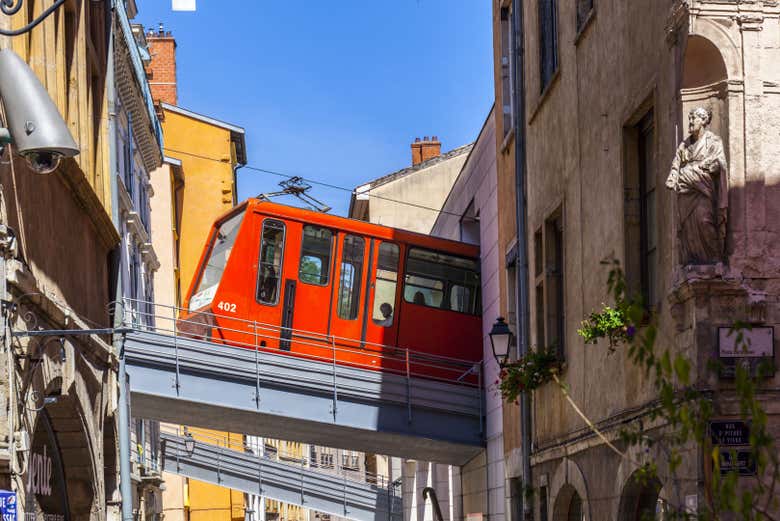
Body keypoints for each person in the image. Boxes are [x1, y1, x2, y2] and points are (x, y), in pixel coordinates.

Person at [666, 106, 728, 265]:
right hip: (686, 193)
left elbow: (720, 163)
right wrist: (674, 175)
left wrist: (708, 167)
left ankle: (714, 258)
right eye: (690, 118)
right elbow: (676, 164)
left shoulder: (713, 141)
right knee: (688, 228)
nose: (690, 121)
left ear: (703, 120)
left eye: (694, 118)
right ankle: (693, 259)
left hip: (703, 189)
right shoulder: (685, 145)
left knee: (704, 220)